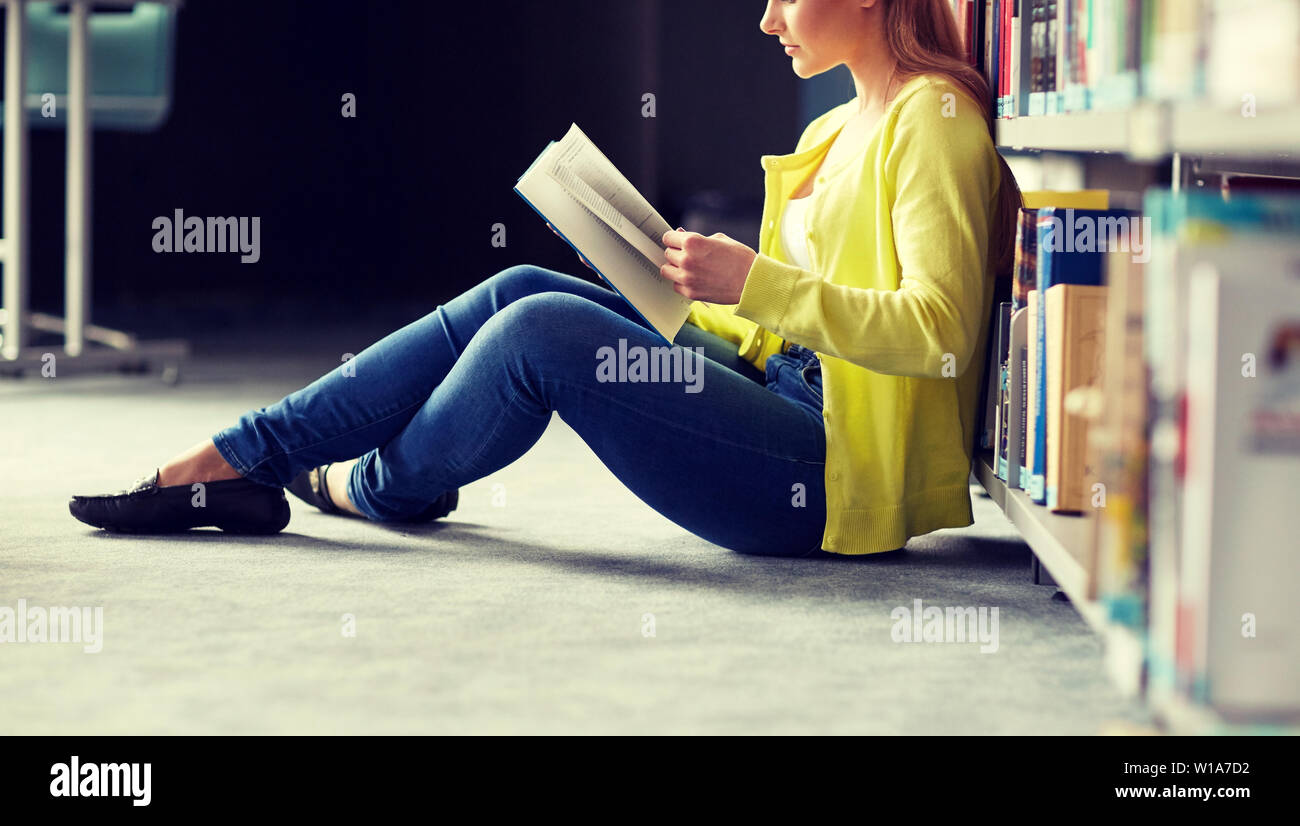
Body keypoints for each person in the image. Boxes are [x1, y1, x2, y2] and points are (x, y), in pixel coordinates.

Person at [69, 0, 1022, 558]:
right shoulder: (832, 125)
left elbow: (940, 335)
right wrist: (677, 287)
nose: (767, 17)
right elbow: (778, 326)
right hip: (779, 387)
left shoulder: (934, 117)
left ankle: (366, 485)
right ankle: (242, 455)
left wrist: (755, 281)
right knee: (520, 289)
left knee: (537, 341)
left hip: (827, 469)